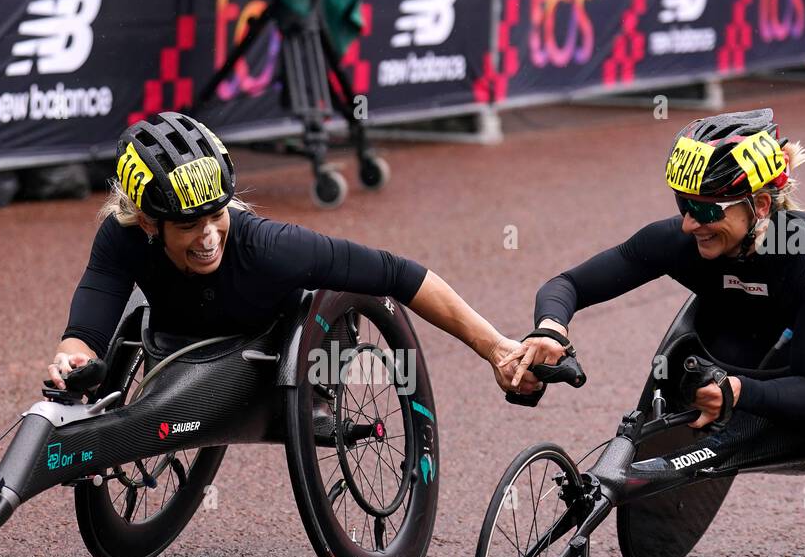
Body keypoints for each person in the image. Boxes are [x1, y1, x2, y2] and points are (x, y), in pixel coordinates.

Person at [51, 111, 522, 394]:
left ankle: (318, 390)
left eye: (217, 214)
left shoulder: (271, 248)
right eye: (190, 225)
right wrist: (72, 358)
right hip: (180, 339)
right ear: (149, 222)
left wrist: (496, 348)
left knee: (329, 301)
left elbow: (399, 274)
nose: (210, 235)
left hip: (275, 351)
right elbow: (86, 330)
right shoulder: (122, 234)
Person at [504, 108, 805, 427]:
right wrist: (550, 329)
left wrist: (739, 391)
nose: (690, 224)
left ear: (762, 205)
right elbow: (569, 285)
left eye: (707, 211)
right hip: (735, 350)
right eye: (683, 204)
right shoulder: (677, 240)